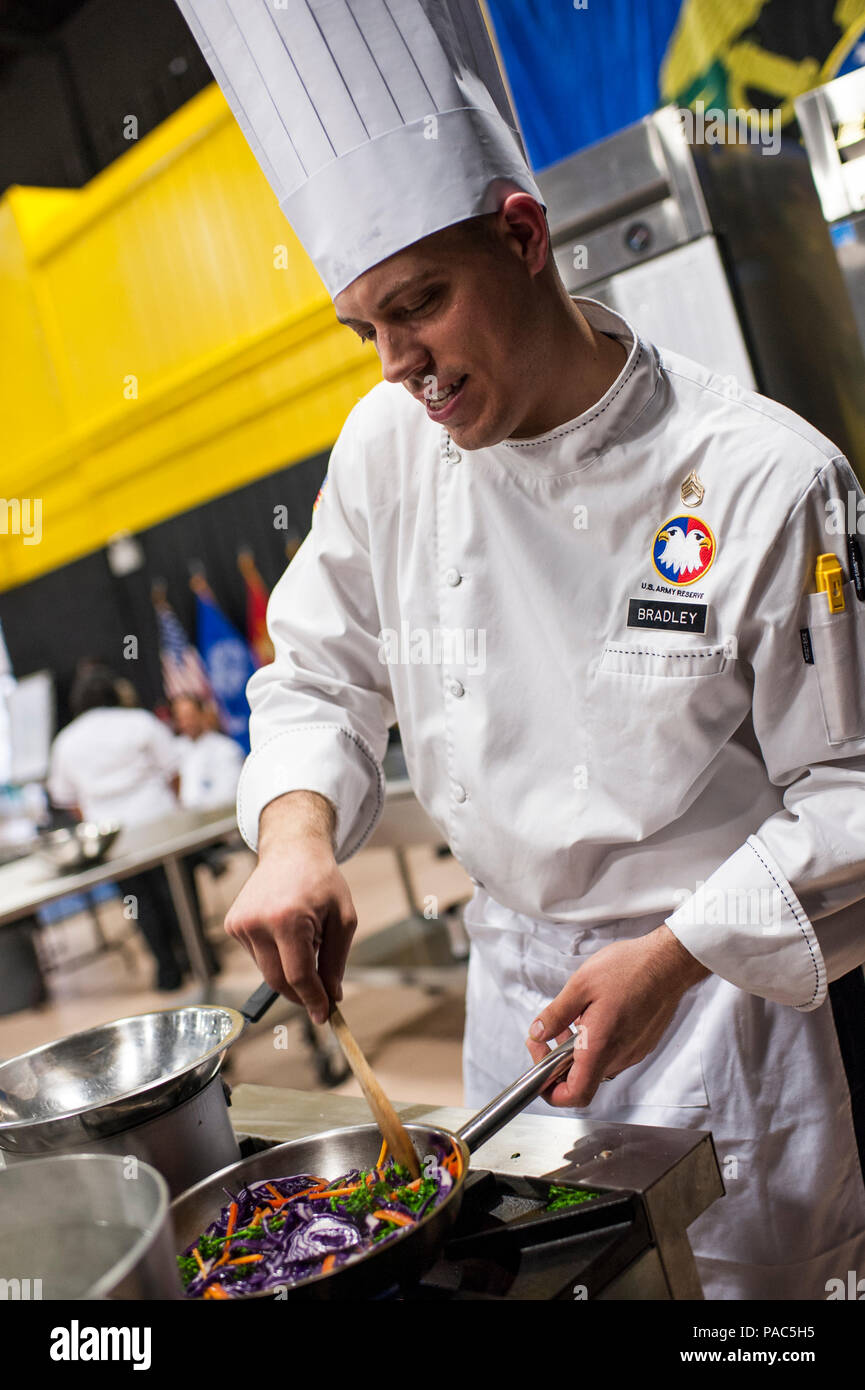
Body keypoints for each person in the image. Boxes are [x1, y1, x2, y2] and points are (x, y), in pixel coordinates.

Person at [177, 0, 865, 1298]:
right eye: (363, 328)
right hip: (514, 1018)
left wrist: (676, 955)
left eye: (420, 304)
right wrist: (295, 835)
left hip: (725, 1014)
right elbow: (318, 668)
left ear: (523, 235)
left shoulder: (766, 480)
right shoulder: (387, 448)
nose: (398, 367)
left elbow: (852, 791)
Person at [47, 666, 189, 990]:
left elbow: (68, 799)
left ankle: (167, 969)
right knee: (177, 892)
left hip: (112, 838)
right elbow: (173, 771)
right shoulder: (140, 722)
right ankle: (199, 956)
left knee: (138, 902)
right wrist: (174, 809)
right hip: (160, 822)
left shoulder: (66, 741)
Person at [171, 694, 244, 811]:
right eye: (181, 718)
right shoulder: (176, 749)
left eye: (190, 716)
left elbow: (229, 794)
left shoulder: (225, 748)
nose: (186, 723)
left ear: (202, 714)